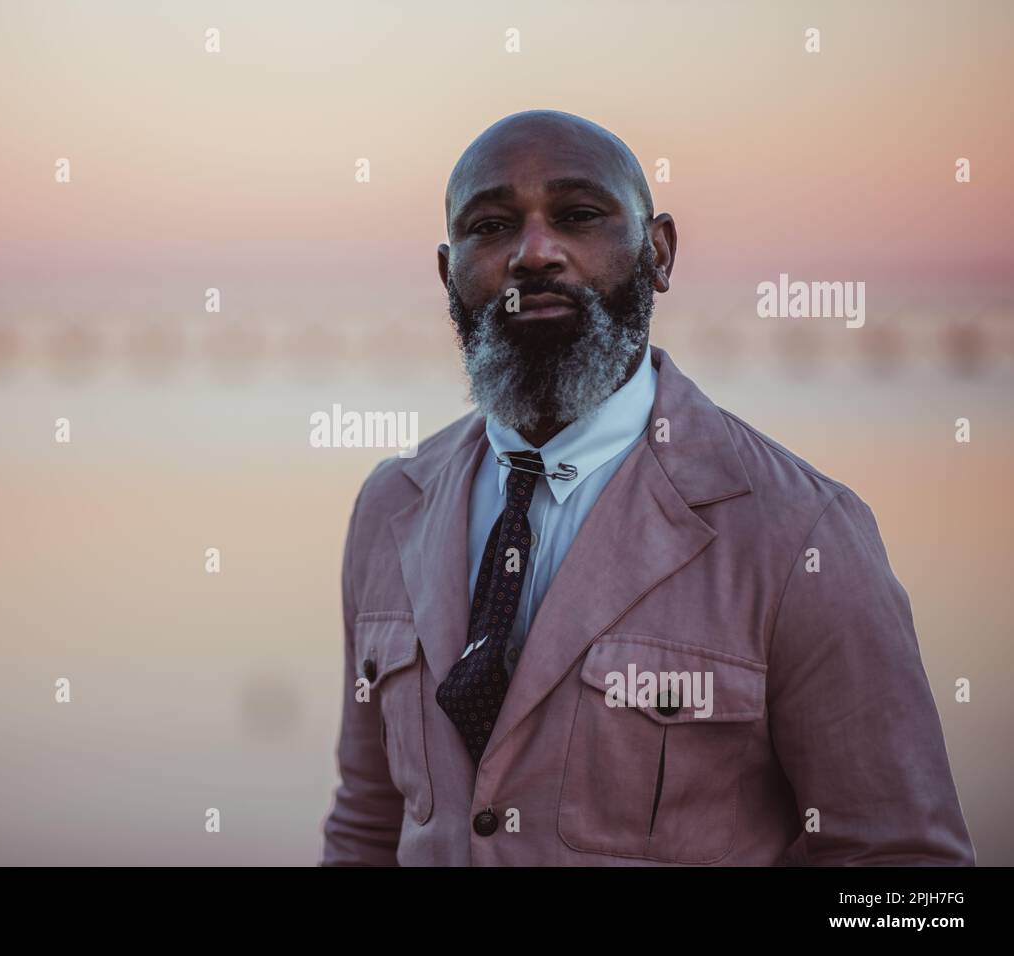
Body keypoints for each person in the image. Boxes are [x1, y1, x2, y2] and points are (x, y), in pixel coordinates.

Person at [319, 109, 975, 866]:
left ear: (658, 252)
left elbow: (901, 866)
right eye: (492, 226)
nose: (534, 253)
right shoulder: (390, 507)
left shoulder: (800, 535)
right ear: (448, 275)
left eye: (578, 215)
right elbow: (368, 822)